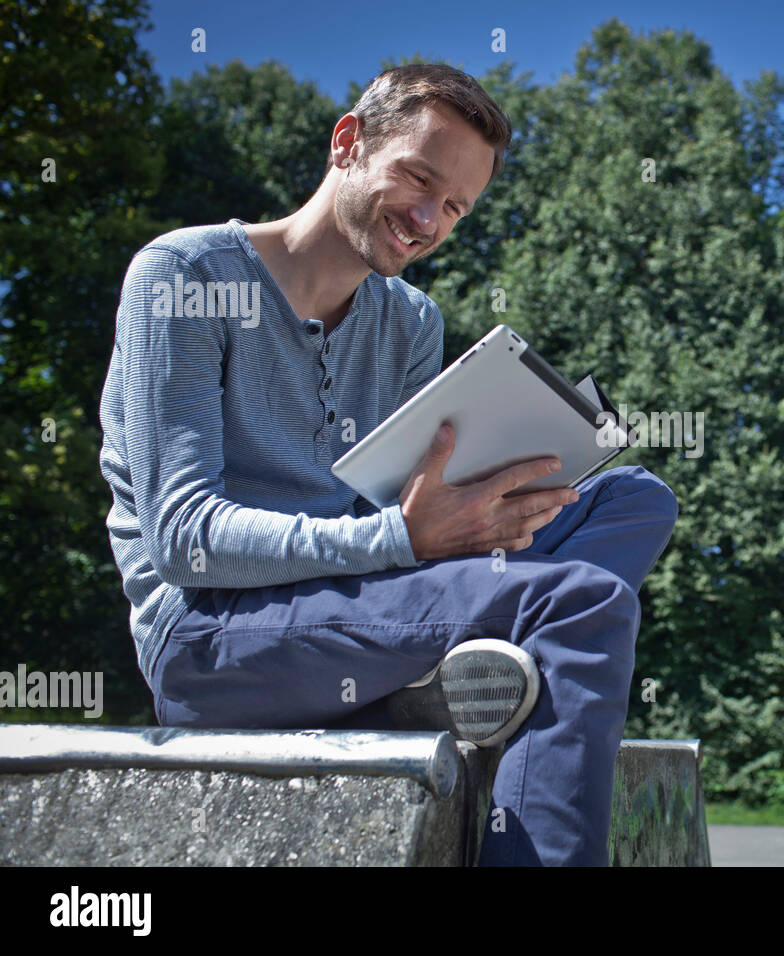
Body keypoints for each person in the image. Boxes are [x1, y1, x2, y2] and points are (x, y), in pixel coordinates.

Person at [97, 64, 678, 866]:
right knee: (579, 605)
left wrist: (474, 510)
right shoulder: (187, 276)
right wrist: (406, 540)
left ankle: (437, 684)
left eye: (456, 207)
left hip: (357, 604)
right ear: (349, 143)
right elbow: (184, 536)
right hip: (210, 635)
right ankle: (445, 690)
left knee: (636, 499)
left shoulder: (409, 321)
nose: (428, 218)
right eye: (418, 178)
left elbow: (401, 501)